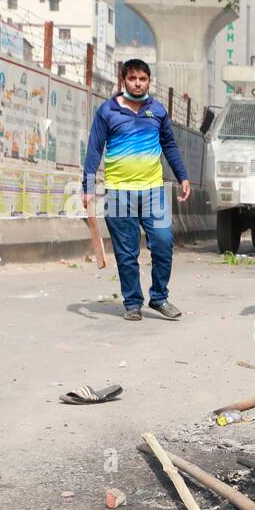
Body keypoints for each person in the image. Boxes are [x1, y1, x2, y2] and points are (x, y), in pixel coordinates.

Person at [82, 58, 191, 322]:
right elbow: (95, 148)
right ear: (123, 81)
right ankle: (132, 302)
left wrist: (182, 176)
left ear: (149, 81)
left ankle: (159, 297)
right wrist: (87, 186)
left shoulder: (158, 111)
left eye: (143, 79)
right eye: (132, 79)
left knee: (164, 242)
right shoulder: (108, 111)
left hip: (153, 190)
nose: (138, 83)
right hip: (119, 193)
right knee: (127, 251)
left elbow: (170, 146)